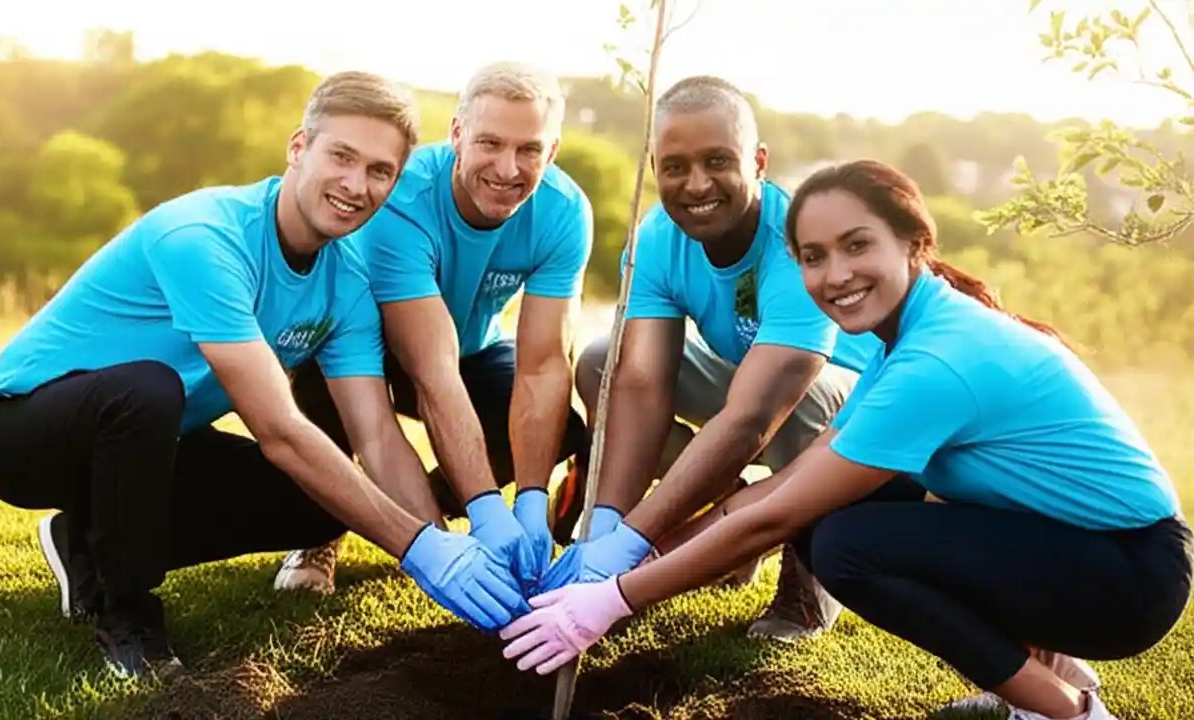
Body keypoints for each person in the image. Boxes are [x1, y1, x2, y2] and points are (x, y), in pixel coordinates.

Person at [498, 159, 1193, 720]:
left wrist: (615, 599)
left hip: (1128, 577)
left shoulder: (937, 360)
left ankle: (1067, 712)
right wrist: (619, 564)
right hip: (1078, 550)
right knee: (843, 509)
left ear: (914, 242)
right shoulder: (906, 341)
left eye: (857, 246)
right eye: (812, 256)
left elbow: (777, 517)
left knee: (849, 546)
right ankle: (1055, 675)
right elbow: (785, 486)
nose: (835, 275)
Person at [0, 71, 527, 680]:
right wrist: (423, 552)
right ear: (298, 147)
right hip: (18, 431)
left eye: (379, 171)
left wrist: (444, 546)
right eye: (342, 156)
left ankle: (87, 549)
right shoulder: (206, 236)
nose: (355, 185)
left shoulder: (348, 280)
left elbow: (376, 437)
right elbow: (279, 429)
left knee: (322, 502)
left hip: (144, 440)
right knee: (148, 389)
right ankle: (126, 614)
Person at [558, 75, 879, 641]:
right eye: (675, 166)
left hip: (851, 401)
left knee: (803, 408)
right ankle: (735, 507)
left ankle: (806, 583)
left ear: (757, 161)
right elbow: (641, 386)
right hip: (747, 378)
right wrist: (605, 531)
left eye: (717, 161)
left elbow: (754, 417)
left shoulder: (794, 240)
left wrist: (638, 547)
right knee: (603, 366)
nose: (696, 183)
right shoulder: (657, 237)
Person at [275, 61, 593, 597]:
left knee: (562, 425)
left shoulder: (564, 212)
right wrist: (489, 512)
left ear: (552, 152)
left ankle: (422, 504)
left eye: (529, 150)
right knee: (320, 374)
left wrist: (531, 503)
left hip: (472, 349)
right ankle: (321, 532)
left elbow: (542, 365)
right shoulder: (405, 201)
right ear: (457, 136)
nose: (508, 168)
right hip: (373, 351)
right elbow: (430, 371)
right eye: (490, 143)